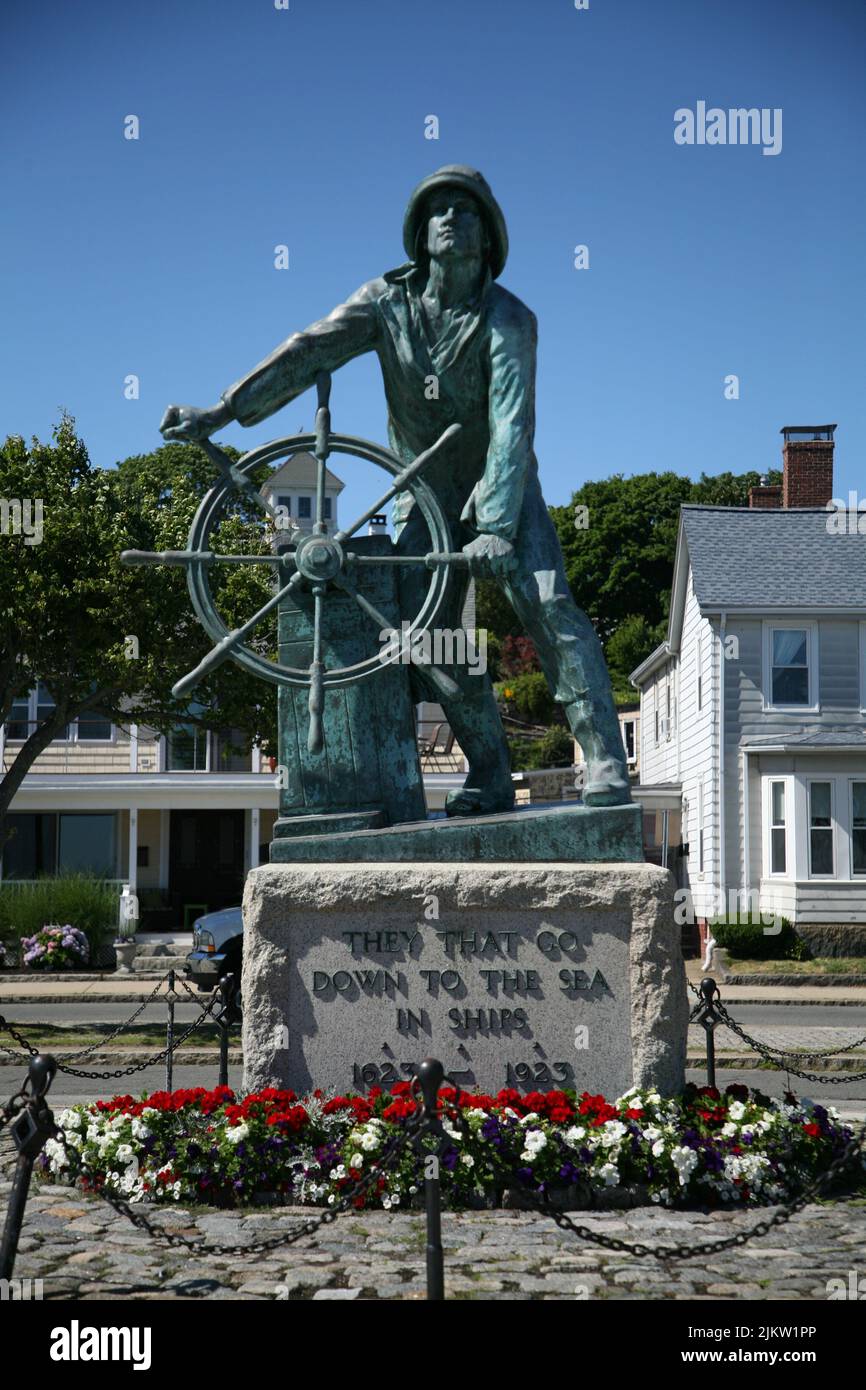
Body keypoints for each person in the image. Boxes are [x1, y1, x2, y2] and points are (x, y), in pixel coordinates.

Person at [160, 166, 630, 813]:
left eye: (465, 210)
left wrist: (495, 522)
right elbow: (307, 351)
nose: (449, 218)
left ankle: (604, 757)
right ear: (418, 232)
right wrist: (221, 412)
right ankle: (490, 772)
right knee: (428, 636)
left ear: (487, 236)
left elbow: (512, 421)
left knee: (550, 605)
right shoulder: (386, 301)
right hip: (424, 495)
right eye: (436, 209)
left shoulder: (509, 318)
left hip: (504, 482)